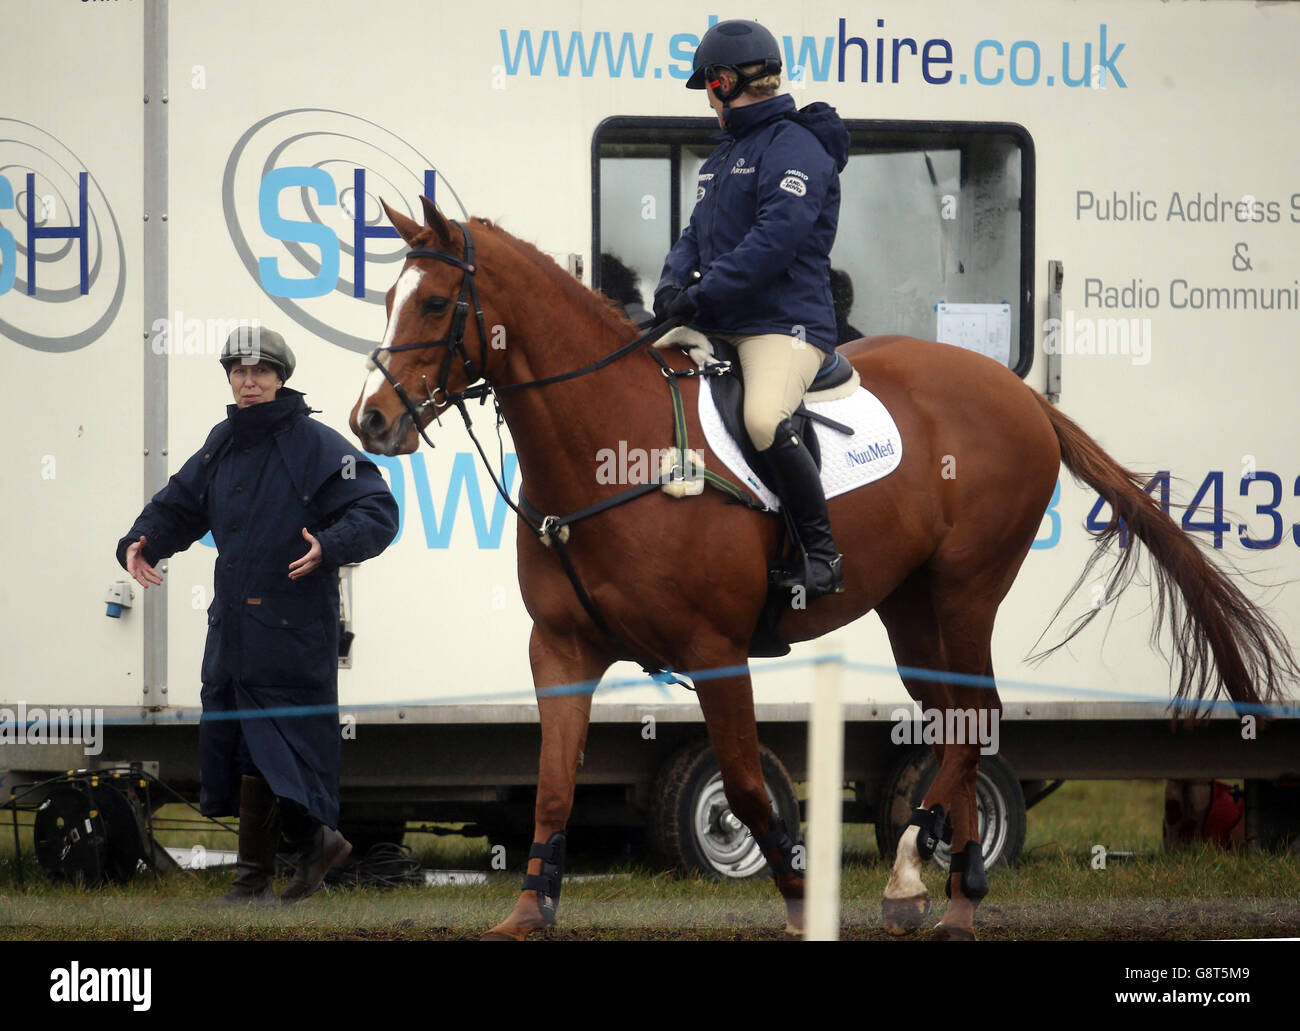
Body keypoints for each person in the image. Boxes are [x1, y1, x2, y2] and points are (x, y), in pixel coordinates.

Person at [116, 327, 399, 905]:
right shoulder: (223, 442)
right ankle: (277, 868)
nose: (249, 382)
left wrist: (330, 544)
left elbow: (377, 510)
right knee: (243, 746)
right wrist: (142, 540)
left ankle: (269, 871)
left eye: (261, 372)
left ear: (280, 378)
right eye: (239, 373)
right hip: (234, 628)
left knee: (281, 748)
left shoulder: (316, 444)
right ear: (229, 378)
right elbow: (180, 504)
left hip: (293, 629)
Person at [653, 18, 851, 600]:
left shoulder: (798, 147)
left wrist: (703, 293)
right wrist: (670, 289)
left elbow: (774, 241)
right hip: (721, 322)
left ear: (725, 82)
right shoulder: (721, 158)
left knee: (765, 418)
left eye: (710, 86)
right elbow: (694, 235)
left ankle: (821, 554)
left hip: (783, 326)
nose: (710, 102)